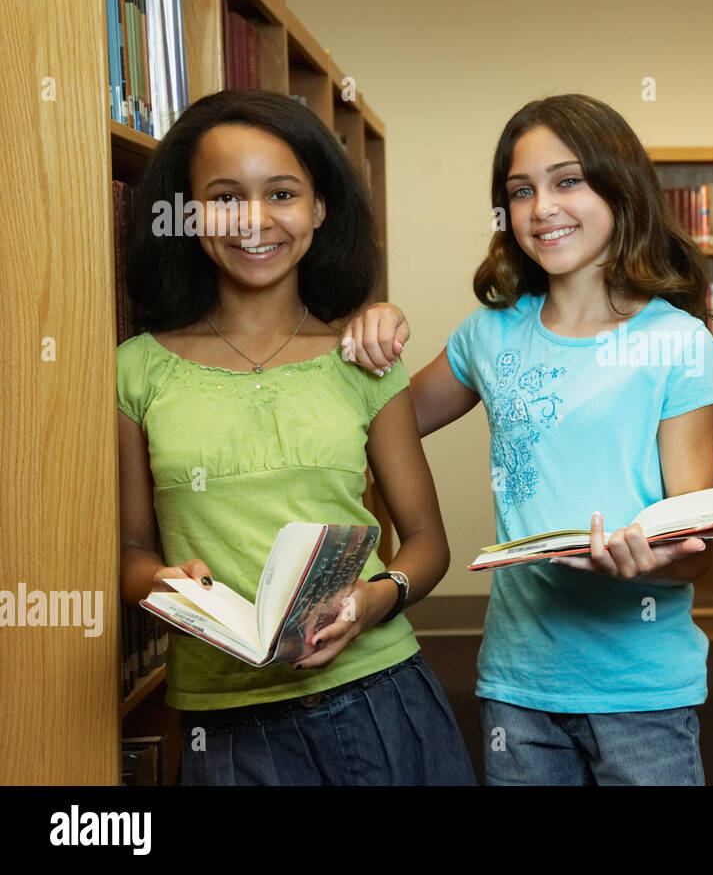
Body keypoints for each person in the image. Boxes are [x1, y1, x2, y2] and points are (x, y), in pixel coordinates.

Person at [342, 93, 713, 785]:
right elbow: (377, 420)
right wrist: (374, 322)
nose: (543, 207)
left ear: (621, 187)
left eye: (568, 180)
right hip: (518, 686)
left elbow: (694, 545)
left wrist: (650, 560)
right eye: (522, 191)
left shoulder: (678, 342)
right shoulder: (489, 334)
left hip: (643, 691)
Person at [116, 89, 475, 785]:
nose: (254, 220)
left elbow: (428, 541)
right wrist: (160, 583)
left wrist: (378, 598)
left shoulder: (365, 358)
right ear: (186, 213)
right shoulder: (135, 370)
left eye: (282, 192)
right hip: (221, 726)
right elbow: (133, 549)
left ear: (319, 208)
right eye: (224, 197)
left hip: (378, 697)